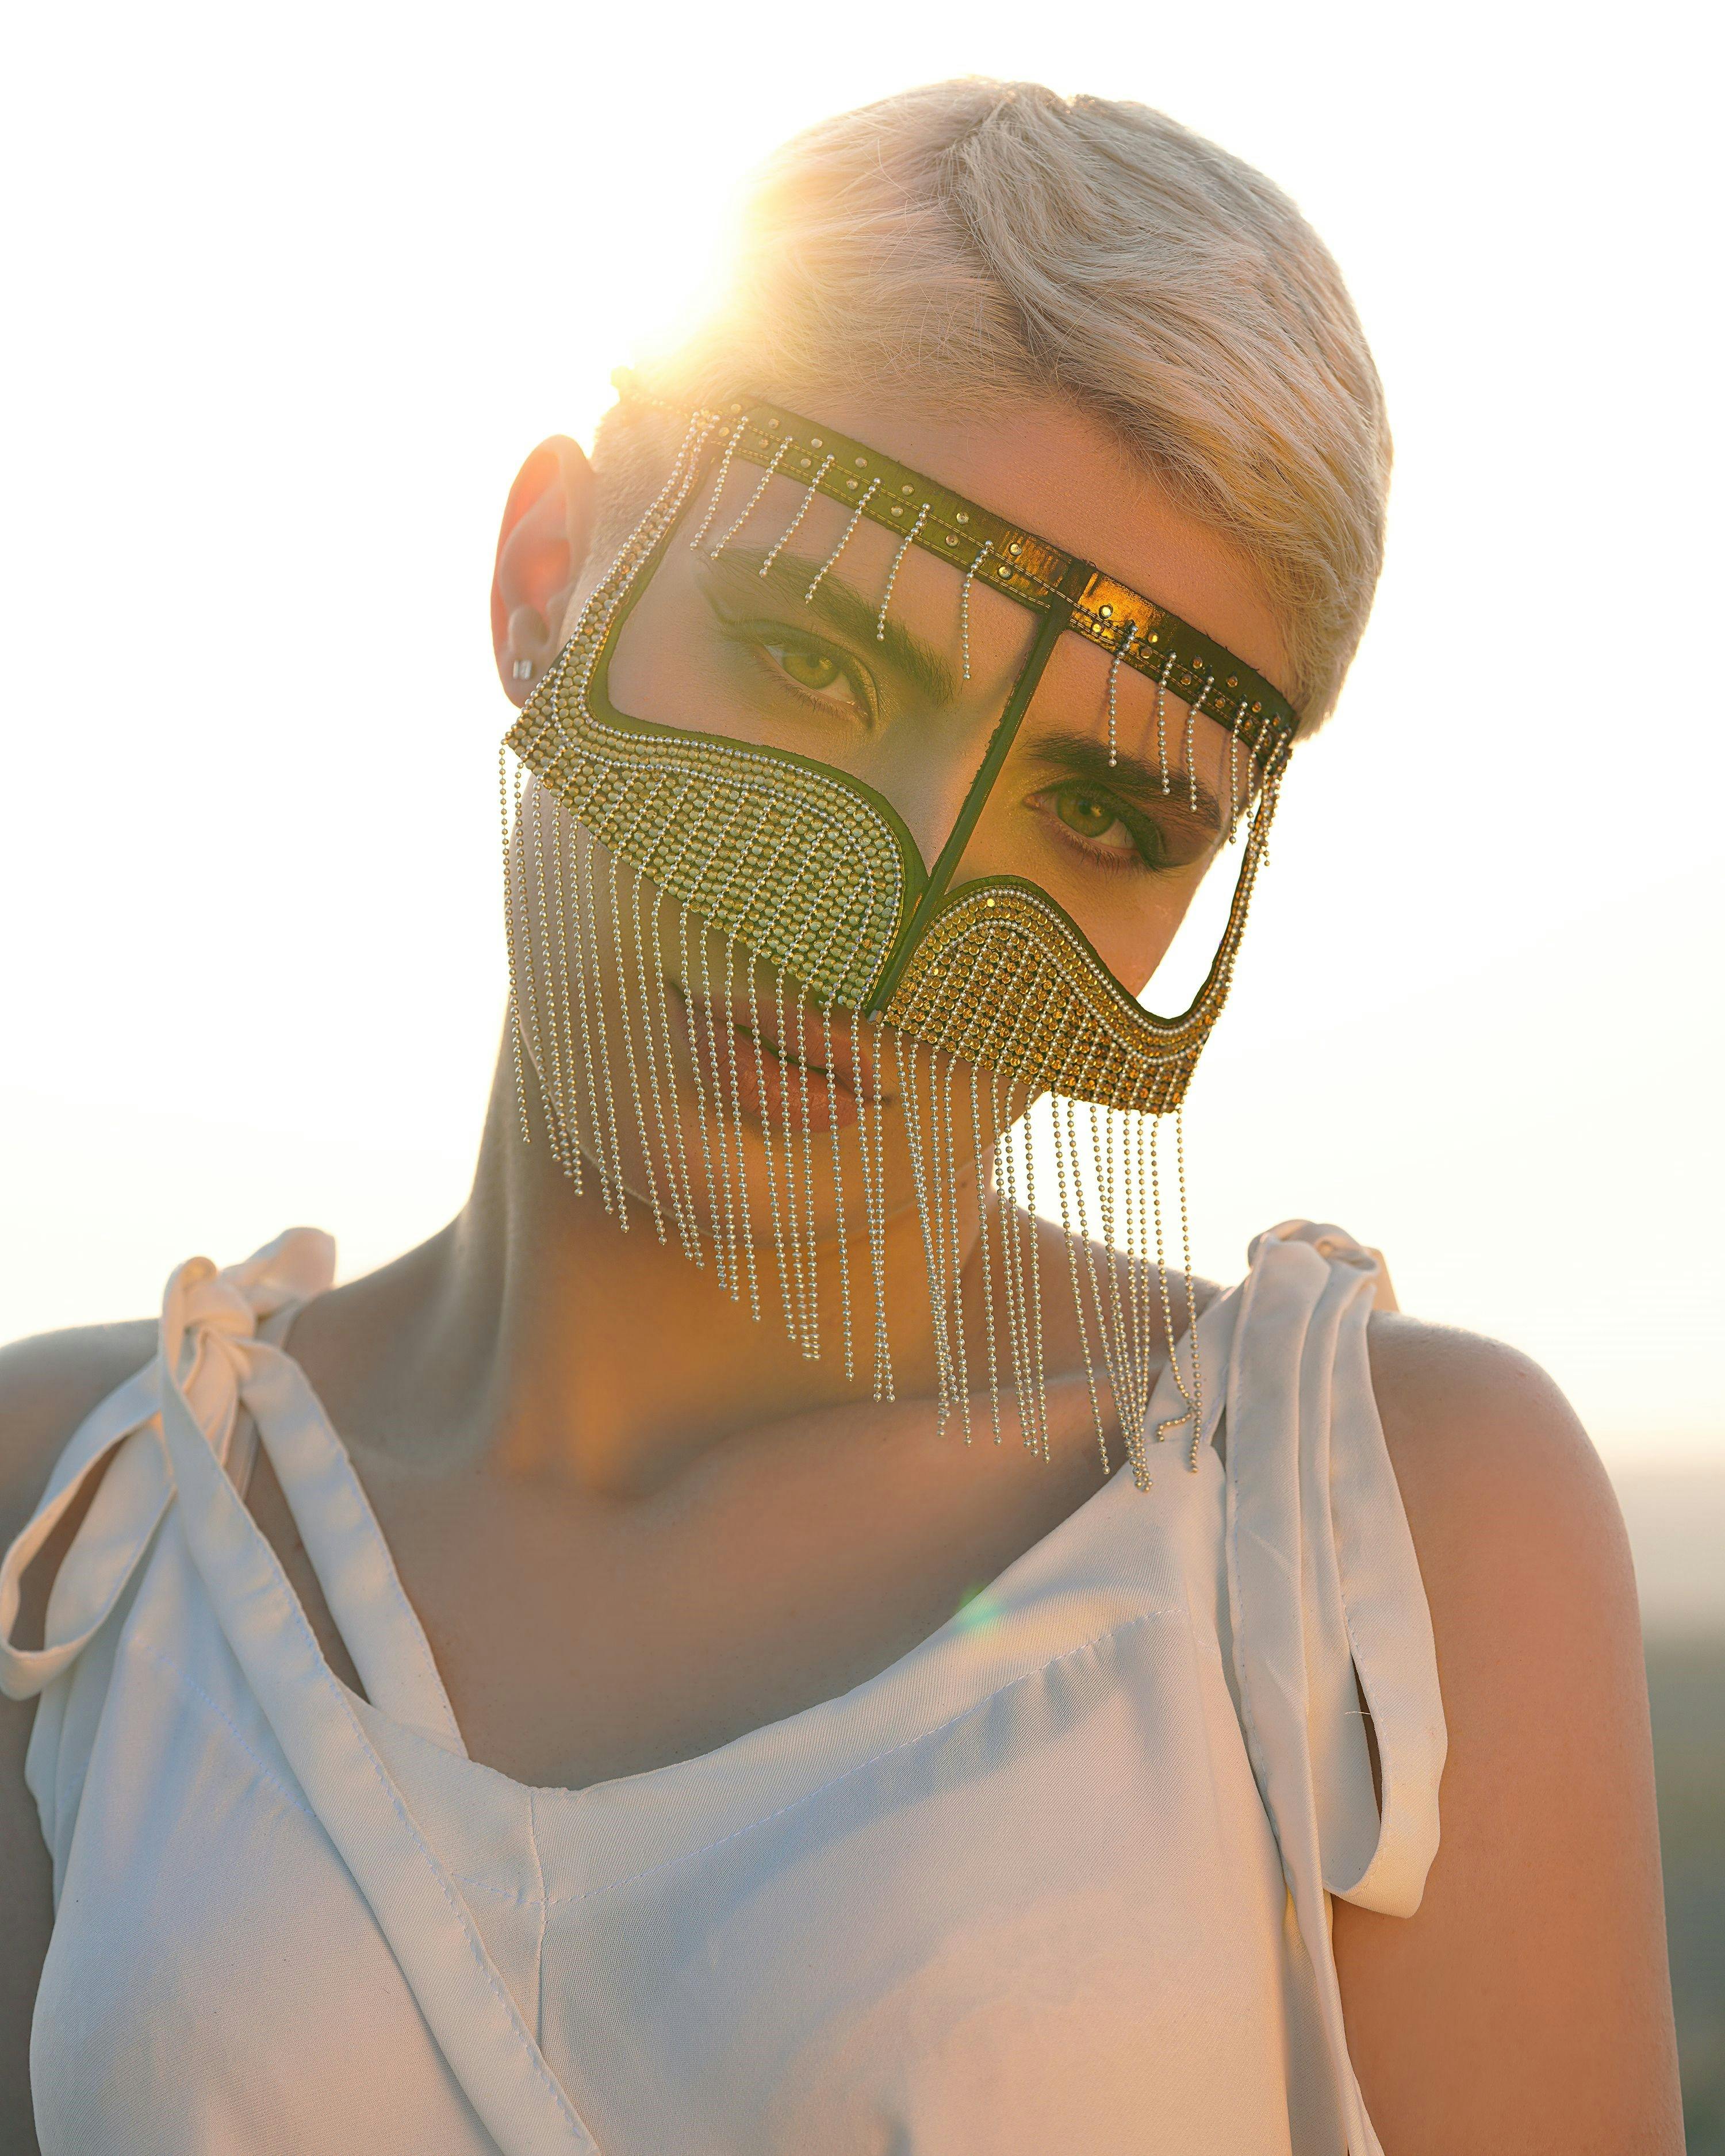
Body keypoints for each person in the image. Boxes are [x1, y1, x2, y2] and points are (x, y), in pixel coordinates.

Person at [0, 78, 1681, 2156]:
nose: (892, 924)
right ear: (548, 576)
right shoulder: (87, 1520)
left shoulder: (1377, 1527)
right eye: (814, 659)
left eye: (1105, 811)